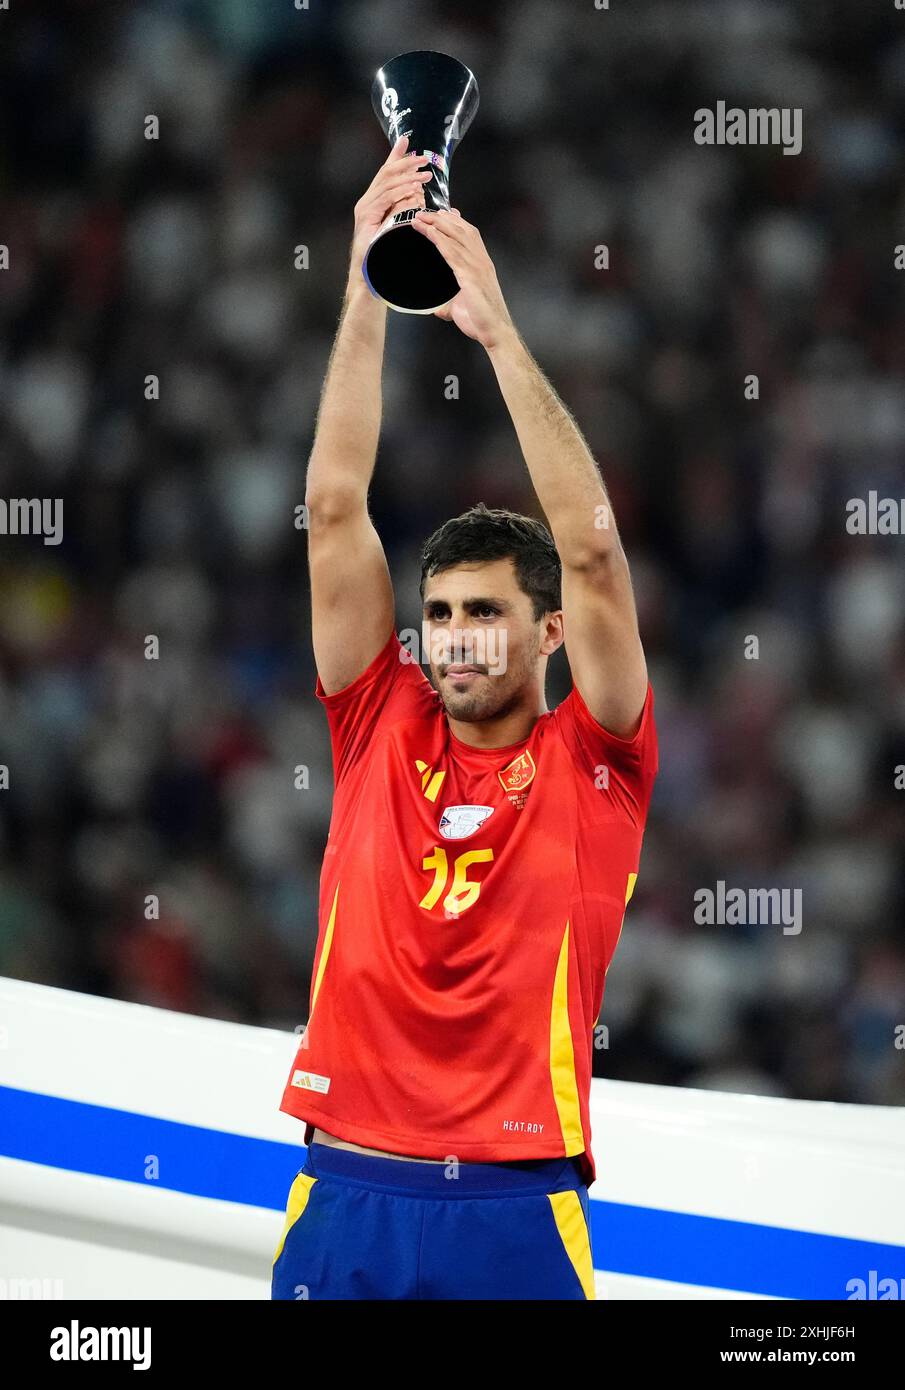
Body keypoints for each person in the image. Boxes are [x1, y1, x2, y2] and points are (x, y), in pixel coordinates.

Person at [271, 136, 658, 1300]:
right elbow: (333, 506)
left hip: (514, 1207)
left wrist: (493, 331)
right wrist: (366, 277)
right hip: (345, 1188)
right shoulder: (373, 717)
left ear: (547, 632)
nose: (452, 636)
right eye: (436, 613)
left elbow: (588, 549)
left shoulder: (598, 759)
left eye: (484, 611)